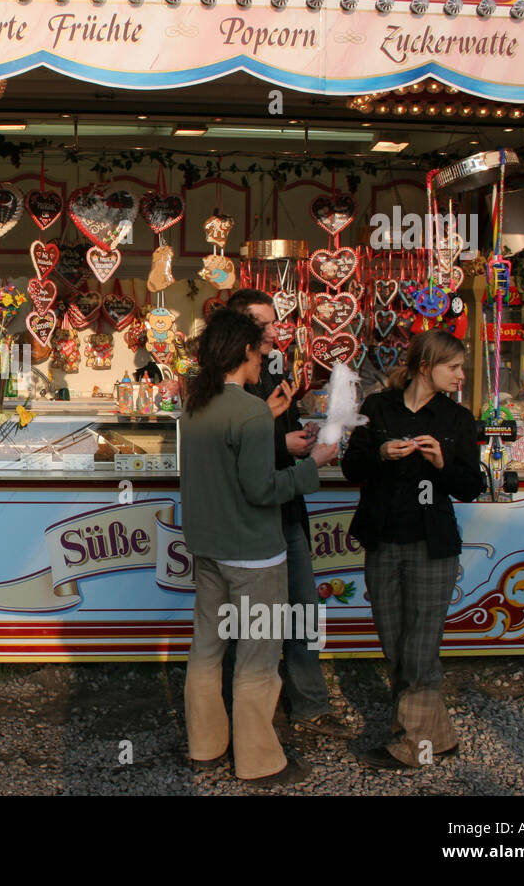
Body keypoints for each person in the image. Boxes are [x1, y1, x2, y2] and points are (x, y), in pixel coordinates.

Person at [180, 309, 339, 784]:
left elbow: (221, 465)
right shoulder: (247, 410)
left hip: (207, 548)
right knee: (257, 659)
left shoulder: (195, 404)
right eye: (260, 348)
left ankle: (205, 746)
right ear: (245, 352)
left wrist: (263, 417)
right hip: (253, 553)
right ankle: (259, 760)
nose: (264, 354)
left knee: (207, 649)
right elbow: (262, 489)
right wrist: (316, 465)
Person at [340, 329, 485, 769]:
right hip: (383, 539)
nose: (461, 375)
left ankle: (412, 746)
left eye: (462, 368)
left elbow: (472, 486)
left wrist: (442, 465)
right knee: (395, 644)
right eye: (454, 367)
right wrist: (380, 452)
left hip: (432, 544)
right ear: (426, 366)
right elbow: (351, 469)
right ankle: (438, 736)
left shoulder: (457, 418)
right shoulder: (377, 407)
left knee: (421, 647)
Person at [225, 288, 355, 738]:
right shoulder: (227, 381)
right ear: (243, 329)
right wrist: (284, 445)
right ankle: (240, 714)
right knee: (245, 621)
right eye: (266, 323)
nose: (277, 330)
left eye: (275, 322)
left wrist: (307, 434)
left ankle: (309, 706)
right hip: (249, 514)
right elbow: (226, 447)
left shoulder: (276, 370)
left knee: (302, 609)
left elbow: (284, 429)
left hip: (288, 507)